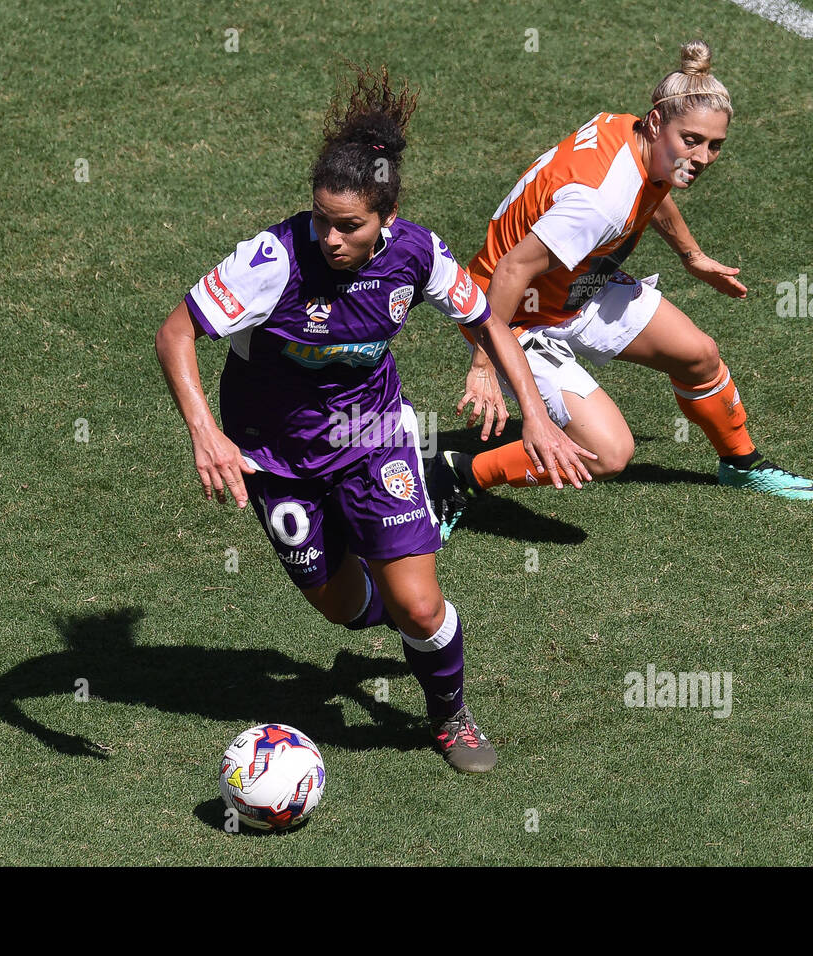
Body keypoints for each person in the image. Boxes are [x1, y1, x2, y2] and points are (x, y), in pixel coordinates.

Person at [154, 65, 593, 773]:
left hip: (371, 438)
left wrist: (535, 417)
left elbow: (487, 320)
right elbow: (175, 333)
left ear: (385, 218)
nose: (330, 237)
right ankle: (397, 585)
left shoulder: (416, 254)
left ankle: (448, 714)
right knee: (345, 611)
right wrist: (206, 432)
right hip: (275, 455)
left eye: (349, 225)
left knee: (420, 608)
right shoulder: (270, 261)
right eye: (322, 219)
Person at [429, 40, 813, 539]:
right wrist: (485, 362)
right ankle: (457, 473)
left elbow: (651, 189)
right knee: (610, 454)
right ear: (658, 123)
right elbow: (509, 271)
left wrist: (691, 256)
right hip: (513, 313)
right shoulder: (598, 202)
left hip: (578, 283)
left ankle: (741, 463)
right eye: (692, 140)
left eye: (714, 145)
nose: (701, 157)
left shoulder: (632, 134)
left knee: (698, 355)